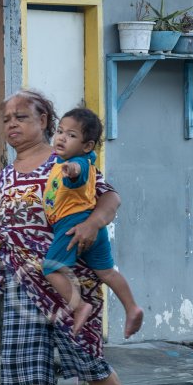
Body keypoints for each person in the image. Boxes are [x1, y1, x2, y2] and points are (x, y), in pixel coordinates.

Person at [0, 89, 134, 385]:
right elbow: (2, 221)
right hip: (22, 284)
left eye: (21, 117)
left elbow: (111, 197)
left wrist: (93, 224)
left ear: (43, 121)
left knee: (88, 361)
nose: (12, 124)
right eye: (7, 119)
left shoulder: (66, 164)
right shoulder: (4, 177)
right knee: (19, 368)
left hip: (70, 281)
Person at [43, 107, 144, 338]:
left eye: (71, 135)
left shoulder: (78, 163)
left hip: (71, 225)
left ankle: (79, 306)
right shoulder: (67, 160)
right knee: (106, 272)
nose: (62, 138)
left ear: (87, 146)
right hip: (91, 225)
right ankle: (132, 307)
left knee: (51, 268)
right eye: (60, 131)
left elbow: (78, 171)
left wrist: (71, 169)